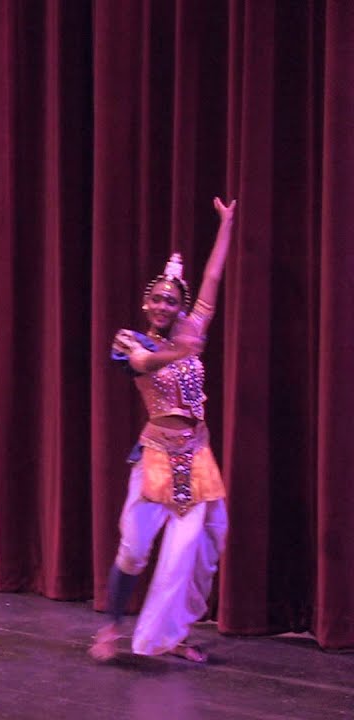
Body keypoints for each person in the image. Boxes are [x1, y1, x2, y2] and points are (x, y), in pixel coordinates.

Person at [89, 197, 237, 663]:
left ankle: (168, 637)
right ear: (144, 303)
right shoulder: (129, 340)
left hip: (197, 458)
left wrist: (226, 226)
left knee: (189, 556)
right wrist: (184, 350)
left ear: (180, 307)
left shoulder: (191, 328)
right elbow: (142, 364)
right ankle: (112, 626)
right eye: (155, 298)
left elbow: (213, 278)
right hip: (155, 456)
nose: (161, 305)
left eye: (171, 300)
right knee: (134, 550)